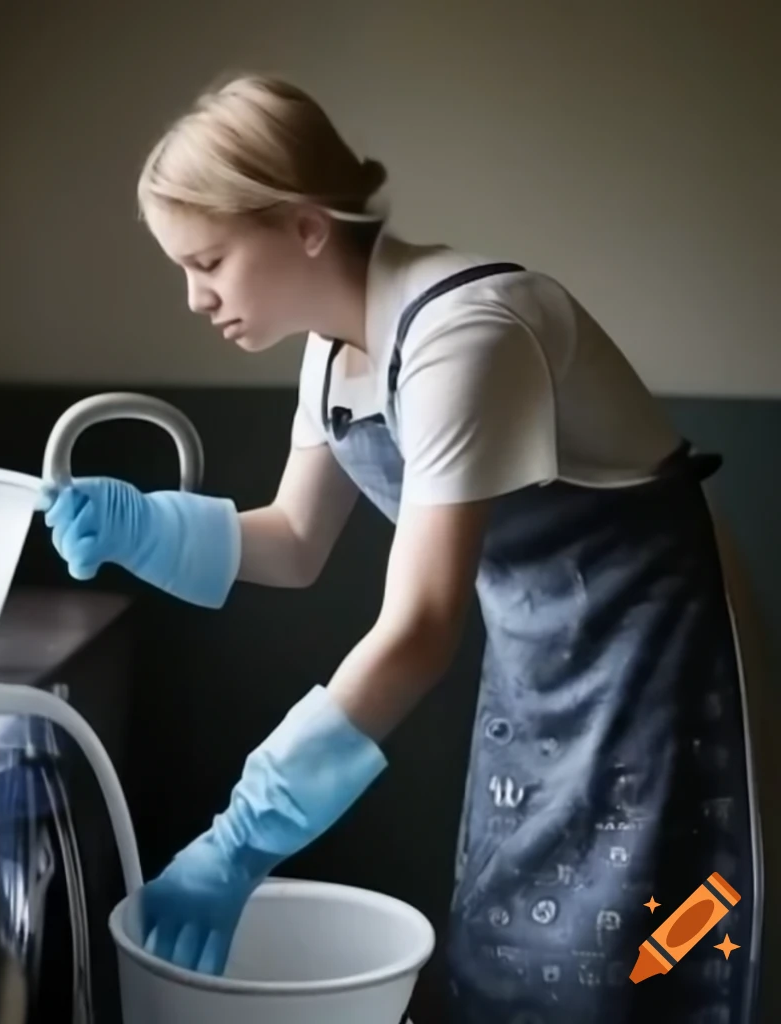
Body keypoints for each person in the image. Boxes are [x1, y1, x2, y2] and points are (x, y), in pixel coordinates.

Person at [43, 74, 762, 1023]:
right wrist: (144, 525)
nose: (194, 296)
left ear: (305, 225)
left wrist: (242, 836)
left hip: (660, 670)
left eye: (208, 260)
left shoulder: (464, 332)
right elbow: (295, 540)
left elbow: (420, 627)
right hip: (538, 675)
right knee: (510, 949)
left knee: (640, 960)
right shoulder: (334, 348)